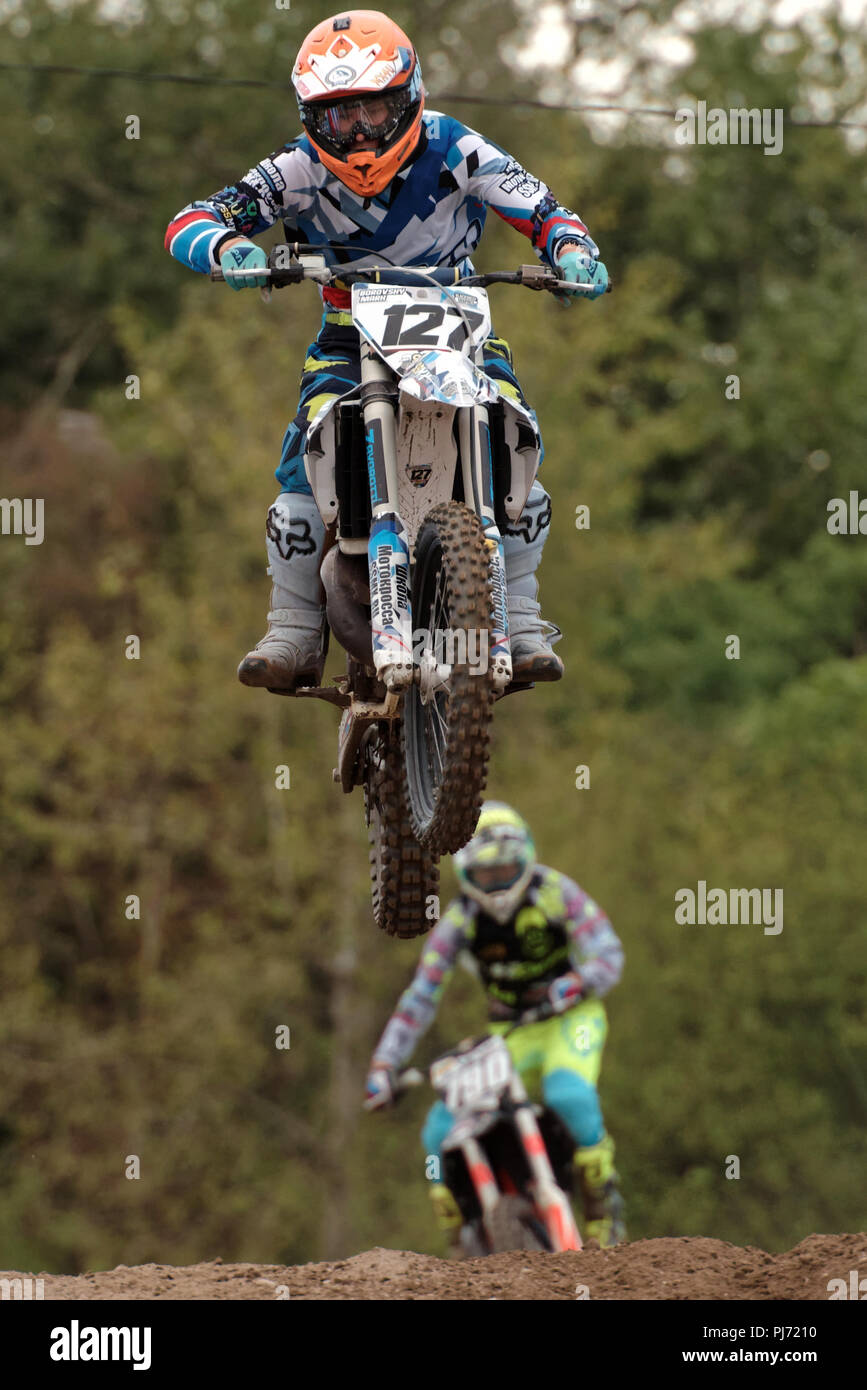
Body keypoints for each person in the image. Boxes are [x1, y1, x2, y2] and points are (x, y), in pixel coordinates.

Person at [165, 10, 608, 692]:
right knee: (302, 459)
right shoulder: (295, 167)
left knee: (517, 436)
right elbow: (193, 218)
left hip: (459, 326)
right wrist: (229, 247)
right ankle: (293, 625)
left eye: (374, 109)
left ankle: (518, 615)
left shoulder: (456, 147)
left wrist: (570, 250)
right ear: (312, 119)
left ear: (408, 96)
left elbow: (540, 204)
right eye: (338, 117)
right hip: (348, 335)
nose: (360, 132)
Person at [365, 801, 626, 1248]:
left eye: (505, 870)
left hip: (570, 1018)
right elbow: (421, 996)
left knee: (569, 1094)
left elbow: (609, 953)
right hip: (510, 1033)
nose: (498, 883)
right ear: (466, 875)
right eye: (486, 875)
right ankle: (458, 1236)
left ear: (525, 858)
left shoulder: (556, 892)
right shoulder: (460, 921)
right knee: (437, 1130)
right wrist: (384, 1063)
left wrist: (579, 981)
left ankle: (604, 1209)